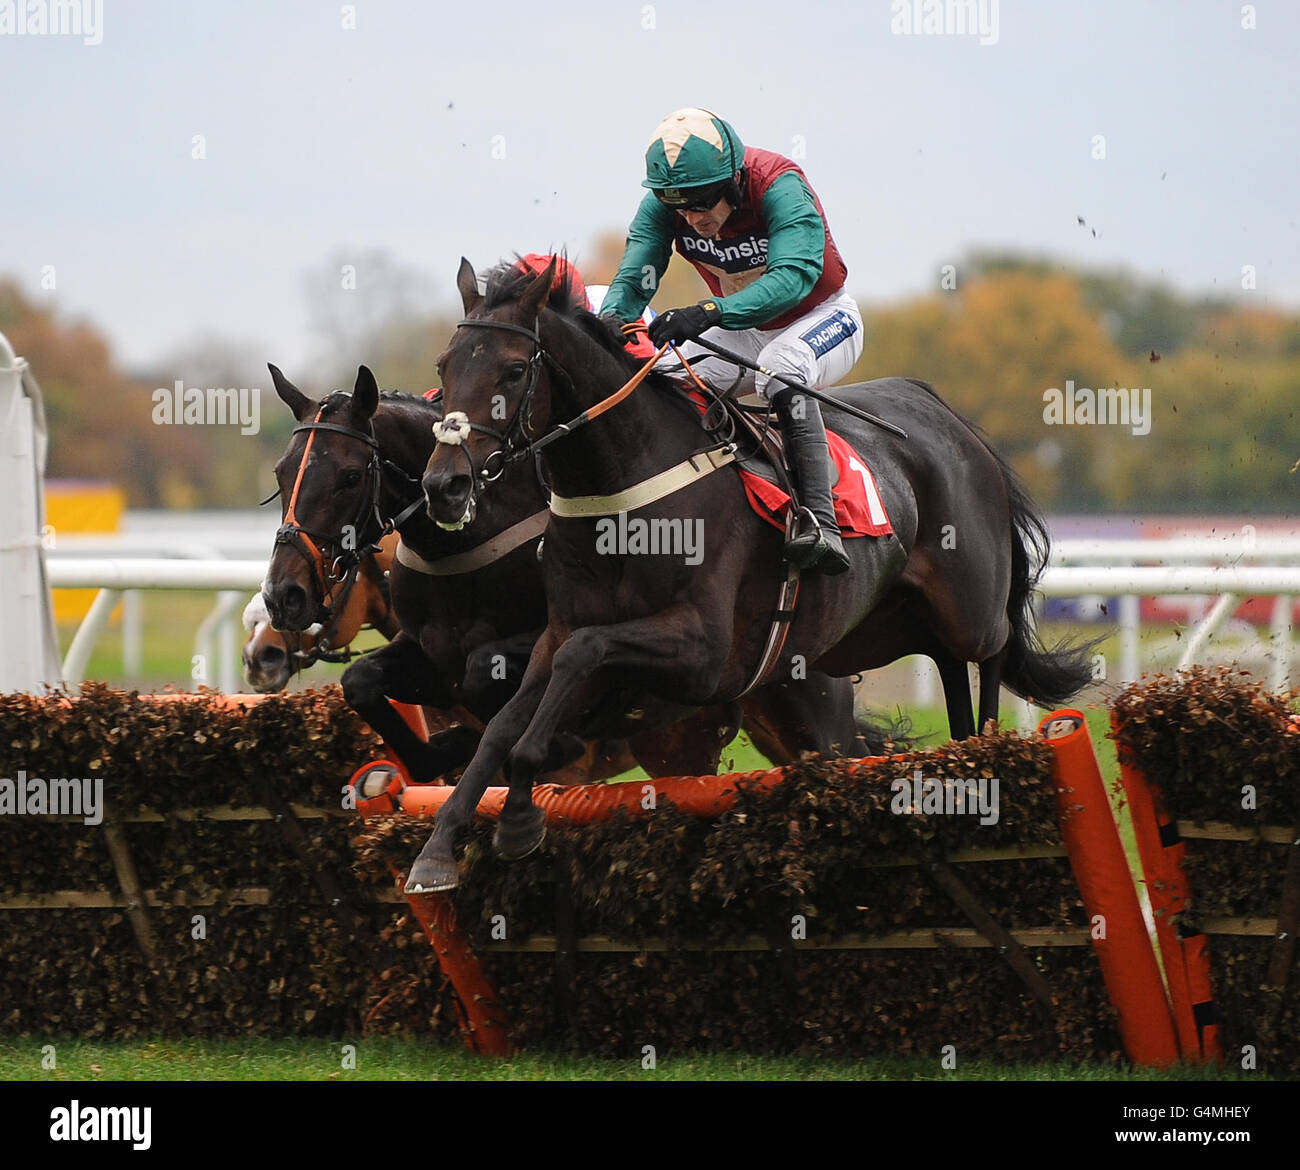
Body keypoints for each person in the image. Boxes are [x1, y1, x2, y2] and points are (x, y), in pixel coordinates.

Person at [598, 108, 861, 575]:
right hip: (744, 331)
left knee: (781, 368)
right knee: (658, 380)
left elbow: (793, 278)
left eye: (702, 202)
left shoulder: (780, 185)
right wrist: (607, 327)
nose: (693, 218)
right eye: (680, 207)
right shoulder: (666, 206)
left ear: (735, 181)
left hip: (822, 316)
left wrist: (709, 312)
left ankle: (821, 523)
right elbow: (634, 278)